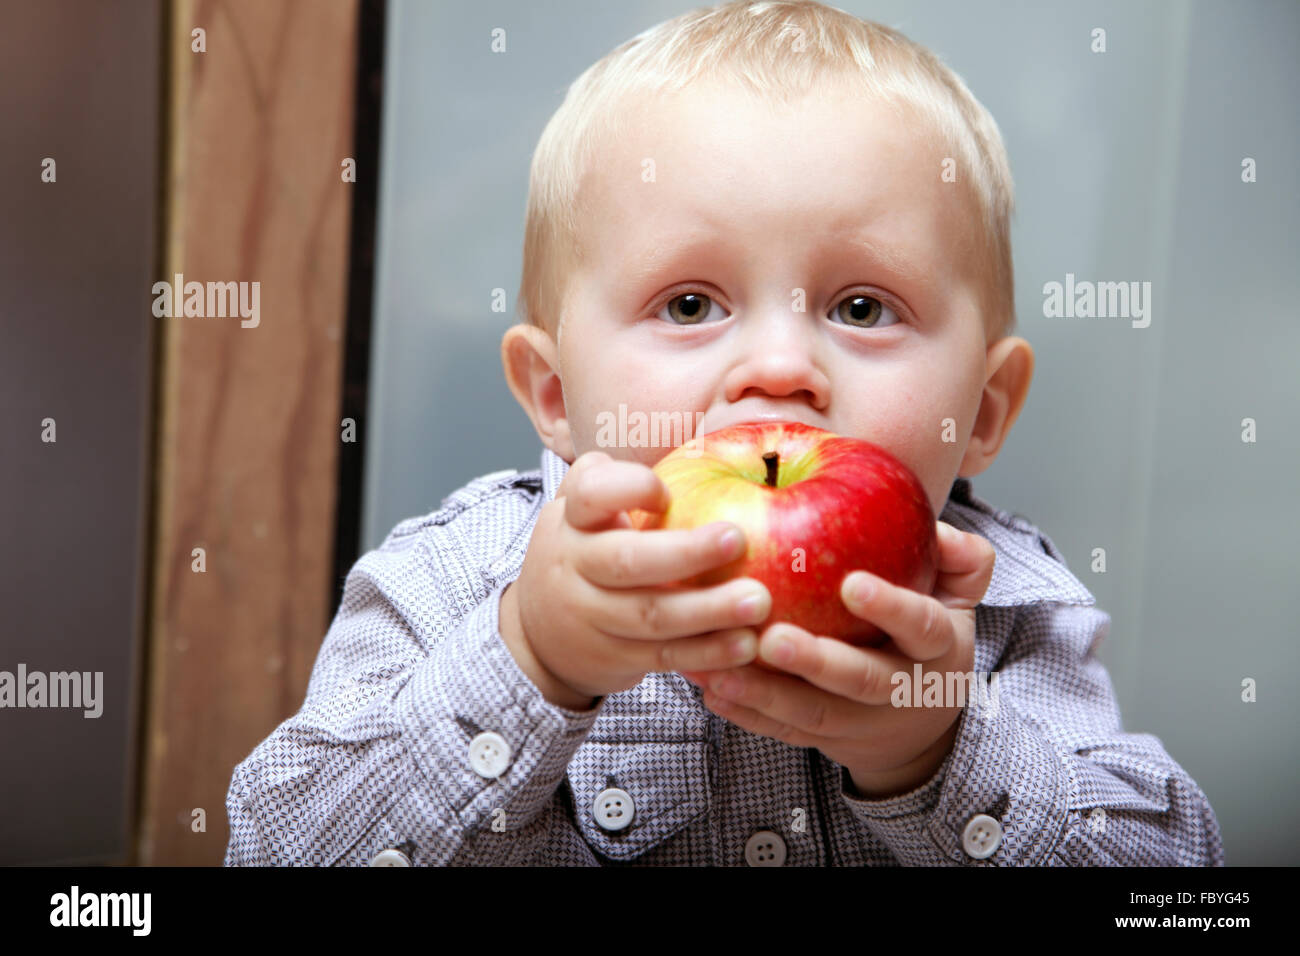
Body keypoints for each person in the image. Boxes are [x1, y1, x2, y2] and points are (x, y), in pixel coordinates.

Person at [225, 0, 1223, 865]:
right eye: (692, 303)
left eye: (864, 307)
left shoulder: (1005, 619)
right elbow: (277, 846)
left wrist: (942, 749)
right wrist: (531, 658)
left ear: (986, 410)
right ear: (557, 394)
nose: (780, 365)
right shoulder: (455, 581)